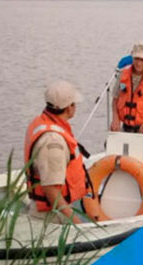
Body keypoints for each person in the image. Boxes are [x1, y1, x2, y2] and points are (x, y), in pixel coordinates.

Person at [24, 80, 88, 224]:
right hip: (51, 217)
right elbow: (51, 190)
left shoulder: (41, 122)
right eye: (74, 103)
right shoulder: (53, 142)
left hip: (52, 210)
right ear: (69, 108)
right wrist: (76, 222)